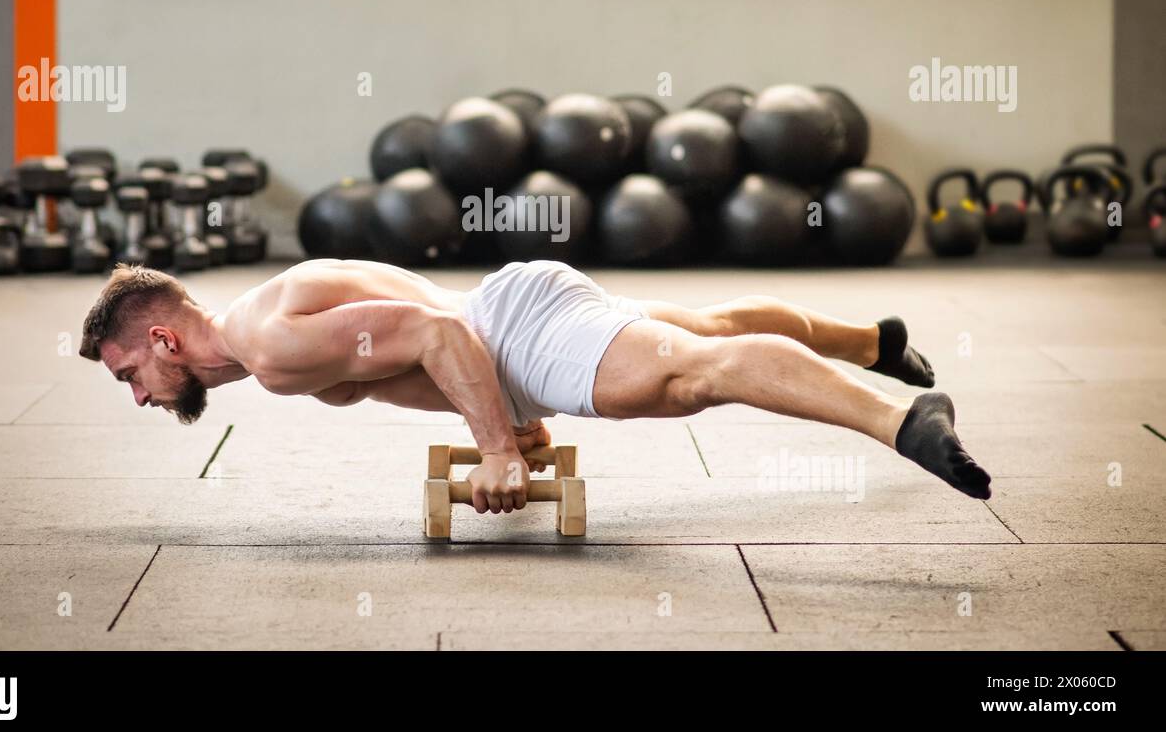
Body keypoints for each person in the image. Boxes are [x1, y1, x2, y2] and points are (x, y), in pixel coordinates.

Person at [79, 259, 991, 514]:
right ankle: (880, 342)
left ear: (161, 336)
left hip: (511, 332)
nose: (139, 395)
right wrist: (516, 427)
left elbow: (438, 336)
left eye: (131, 374)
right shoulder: (267, 339)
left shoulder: (271, 343)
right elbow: (409, 363)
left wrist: (499, 449)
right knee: (709, 330)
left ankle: (903, 417)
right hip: (512, 320)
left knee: (689, 377)